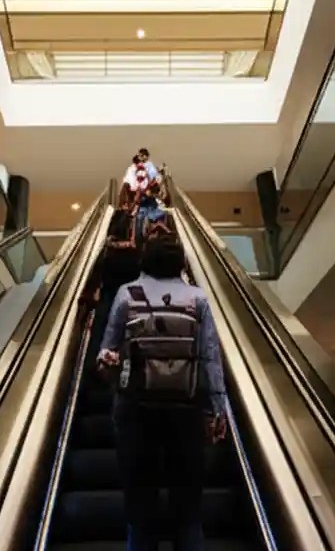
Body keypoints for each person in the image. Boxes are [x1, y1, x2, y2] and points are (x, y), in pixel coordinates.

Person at [97, 235, 228, 551]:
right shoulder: (197, 298)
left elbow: (107, 350)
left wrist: (110, 366)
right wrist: (218, 407)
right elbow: (210, 356)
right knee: (188, 510)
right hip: (187, 409)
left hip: (135, 411)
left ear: (144, 260)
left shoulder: (128, 295)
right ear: (181, 263)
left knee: (141, 510)